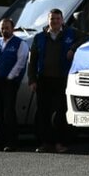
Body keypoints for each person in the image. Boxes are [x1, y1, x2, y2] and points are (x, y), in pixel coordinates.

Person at [26, 9, 79, 153]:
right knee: (43, 113)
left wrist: (73, 48)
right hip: (44, 80)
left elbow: (86, 39)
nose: (55, 21)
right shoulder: (39, 37)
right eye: (52, 19)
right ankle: (46, 143)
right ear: (48, 20)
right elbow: (32, 60)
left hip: (63, 79)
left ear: (62, 20)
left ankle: (61, 143)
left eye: (57, 18)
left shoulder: (71, 33)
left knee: (62, 113)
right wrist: (32, 79)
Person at [0, 17, 29, 152]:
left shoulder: (20, 43)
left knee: (8, 112)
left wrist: (10, 77)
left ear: (12, 28)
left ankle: (12, 141)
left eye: (7, 28)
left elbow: (21, 62)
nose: (4, 30)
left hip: (9, 82)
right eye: (2, 28)